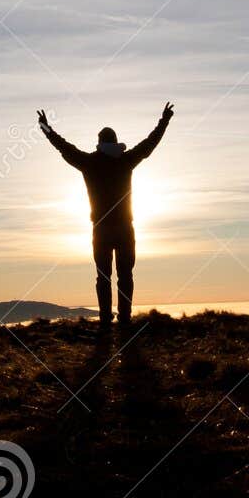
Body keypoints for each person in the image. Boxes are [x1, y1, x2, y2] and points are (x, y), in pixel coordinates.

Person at [38, 103, 174, 331]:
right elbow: (150, 144)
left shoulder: (90, 162)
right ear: (115, 141)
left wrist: (46, 128)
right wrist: (164, 120)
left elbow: (65, 148)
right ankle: (125, 319)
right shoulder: (126, 160)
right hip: (124, 227)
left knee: (103, 277)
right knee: (125, 275)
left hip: (100, 228)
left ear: (100, 143)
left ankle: (104, 320)